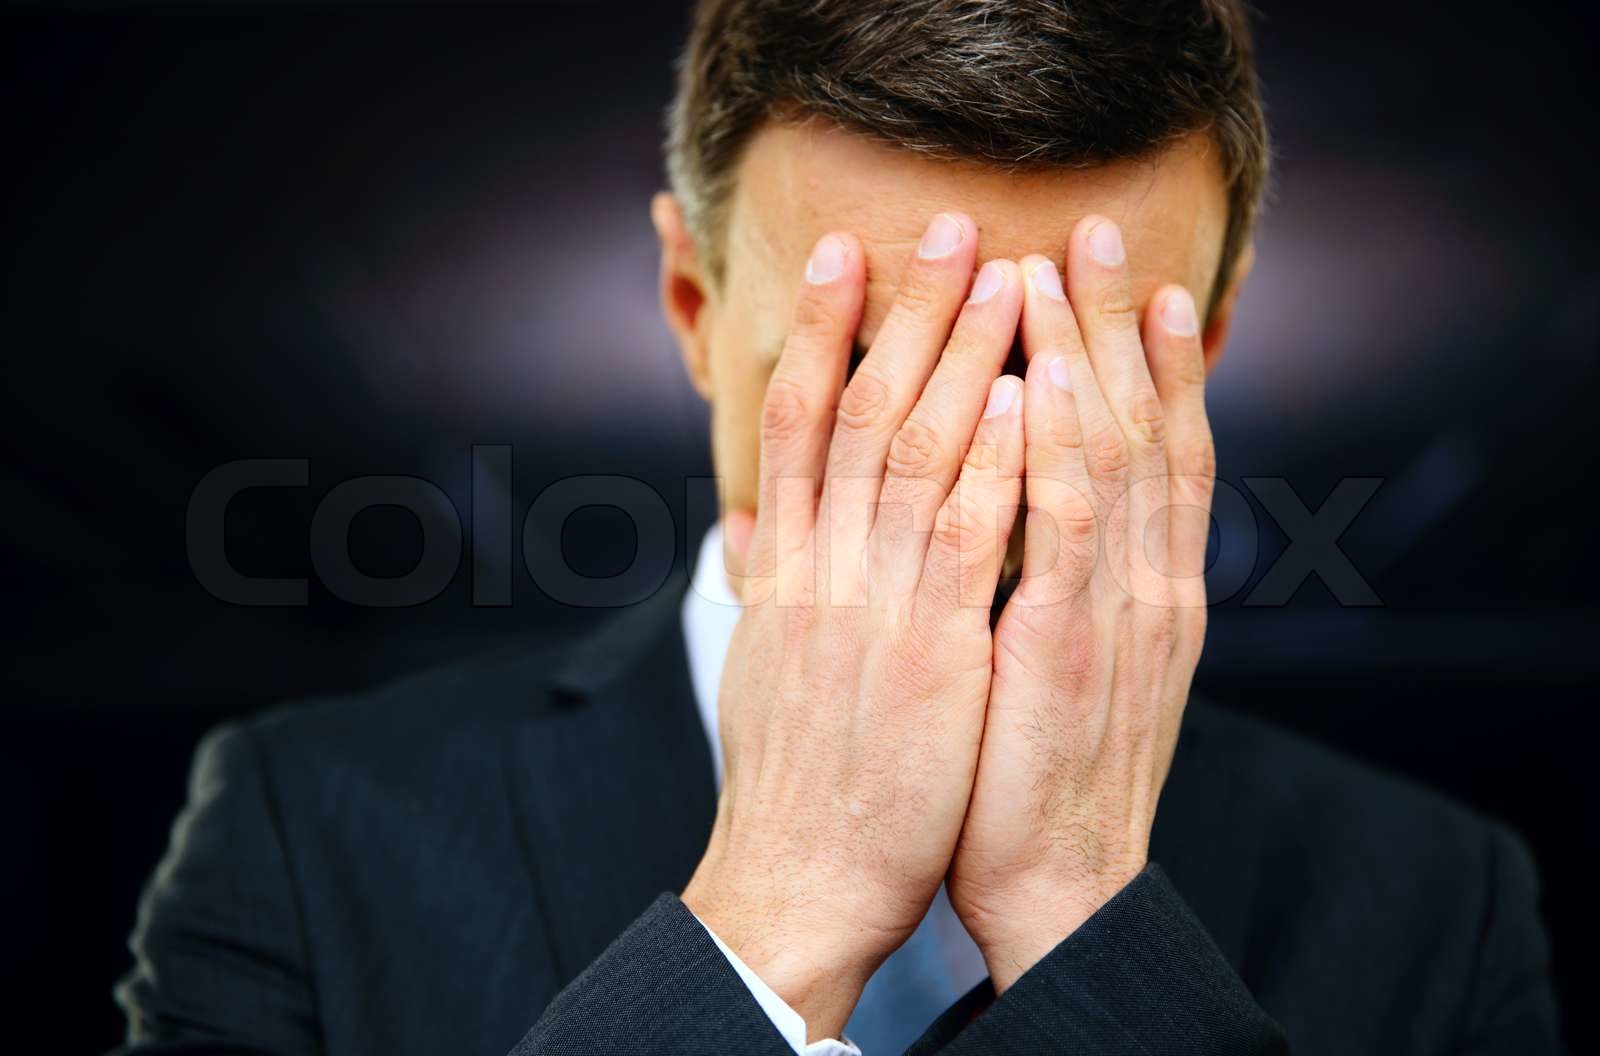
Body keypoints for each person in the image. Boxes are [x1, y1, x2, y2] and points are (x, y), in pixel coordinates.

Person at [112, 2, 1562, 1053]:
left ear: (1211, 342)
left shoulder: (1438, 905)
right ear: (693, 307)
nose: (951, 465)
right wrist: (771, 918)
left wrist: (1080, 910)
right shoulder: (306, 834)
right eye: (867, 360)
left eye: (1053, 368)